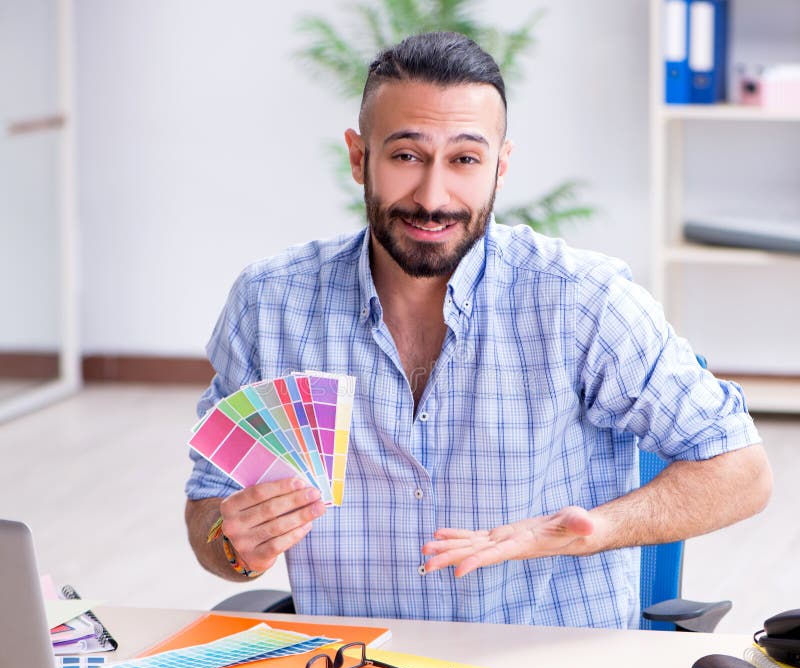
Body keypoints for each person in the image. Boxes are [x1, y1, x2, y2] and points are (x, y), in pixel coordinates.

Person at [185, 31, 771, 628]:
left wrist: (598, 530)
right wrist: (232, 542)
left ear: (500, 165)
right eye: (406, 156)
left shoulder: (582, 300)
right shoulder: (271, 305)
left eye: (465, 159)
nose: (433, 196)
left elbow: (743, 472)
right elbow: (208, 510)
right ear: (360, 157)